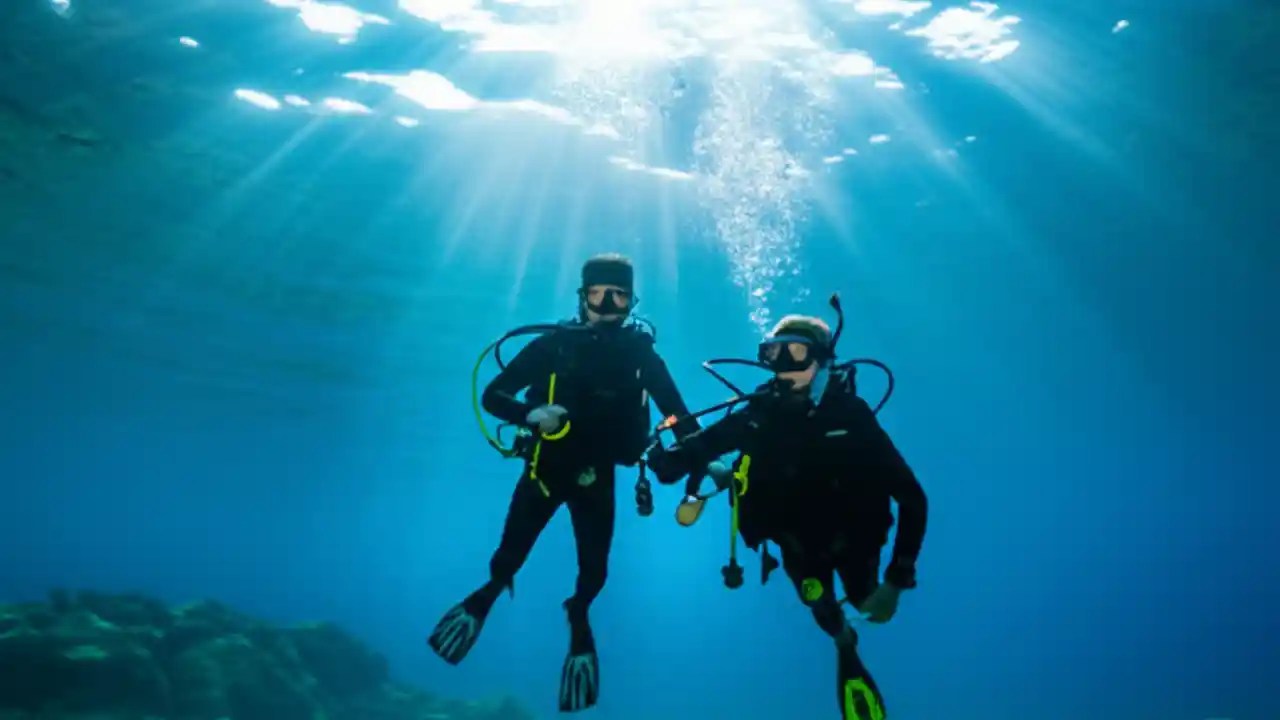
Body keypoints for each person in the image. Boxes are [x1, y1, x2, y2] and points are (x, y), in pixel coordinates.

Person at [428, 253, 701, 713]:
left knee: (594, 574)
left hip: (599, 477)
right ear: (581, 297)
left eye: (617, 295)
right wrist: (530, 414)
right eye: (596, 294)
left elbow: (677, 415)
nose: (606, 304)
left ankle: (578, 614)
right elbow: (494, 394)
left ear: (632, 301)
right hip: (545, 469)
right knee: (508, 557)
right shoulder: (554, 345)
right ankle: (488, 595)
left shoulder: (642, 356)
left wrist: (702, 456)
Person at [646, 312, 928, 720]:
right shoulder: (757, 413)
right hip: (796, 541)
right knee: (820, 602)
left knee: (868, 600)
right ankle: (843, 642)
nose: (782, 366)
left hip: (856, 538)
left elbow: (912, 498)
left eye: (796, 353)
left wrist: (897, 581)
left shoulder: (852, 416)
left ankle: (856, 613)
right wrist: (663, 459)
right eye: (773, 353)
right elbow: (698, 448)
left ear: (824, 361)